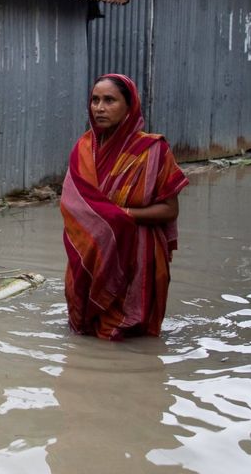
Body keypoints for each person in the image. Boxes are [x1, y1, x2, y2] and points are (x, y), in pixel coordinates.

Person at [60, 74, 189, 340]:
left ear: (130, 107)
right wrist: (106, 221)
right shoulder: (84, 149)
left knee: (126, 335)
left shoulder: (153, 150)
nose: (99, 107)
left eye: (109, 100)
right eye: (95, 100)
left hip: (139, 258)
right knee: (86, 334)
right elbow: (73, 208)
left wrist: (121, 216)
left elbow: (169, 210)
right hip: (92, 256)